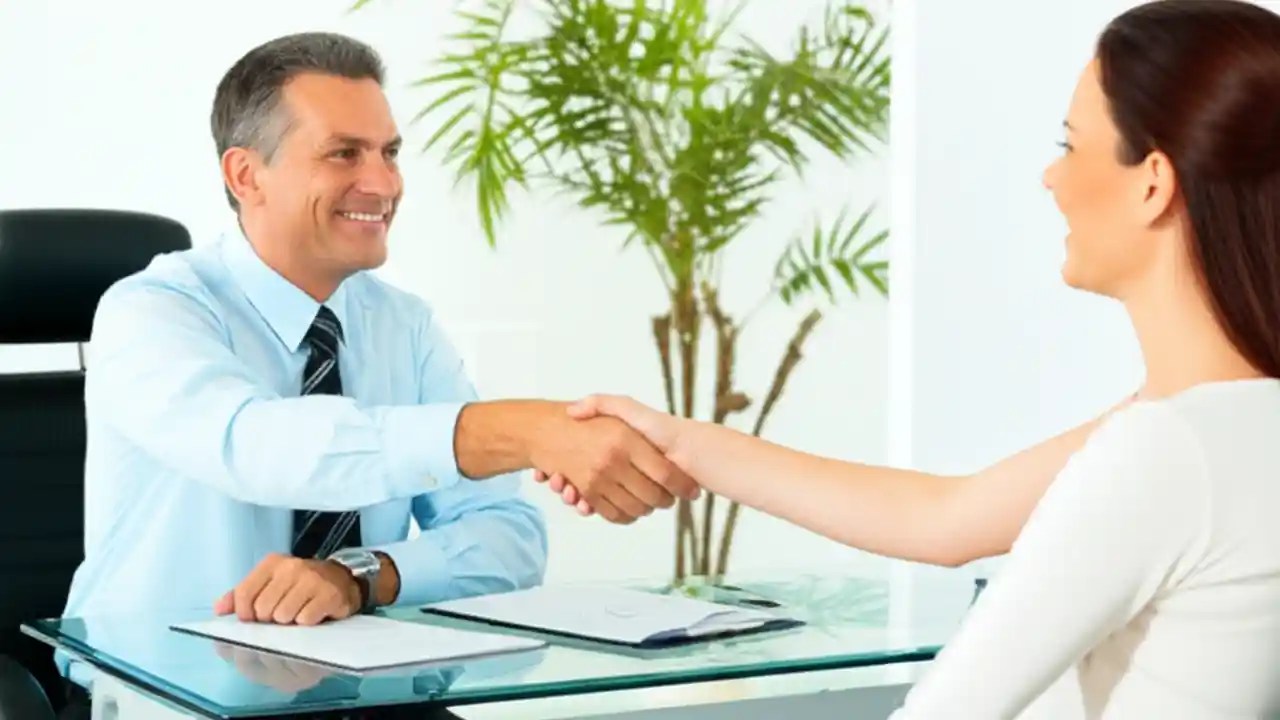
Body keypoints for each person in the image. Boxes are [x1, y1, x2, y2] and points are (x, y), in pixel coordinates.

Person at [543, 0, 1280, 715]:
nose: (1050, 178)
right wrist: (683, 443)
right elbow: (946, 518)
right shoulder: (1224, 423)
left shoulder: (1165, 452)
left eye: (1070, 145)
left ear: (1152, 183)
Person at [57, 30, 696, 716]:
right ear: (246, 175)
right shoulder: (151, 312)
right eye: (344, 154)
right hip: (175, 700)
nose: (384, 183)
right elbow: (260, 446)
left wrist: (364, 574)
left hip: (365, 697)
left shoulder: (402, 326)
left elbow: (507, 536)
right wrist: (515, 430)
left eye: (389, 153)